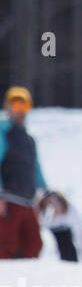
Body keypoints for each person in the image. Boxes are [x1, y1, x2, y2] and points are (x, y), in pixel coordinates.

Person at [0, 86, 46, 259]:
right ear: (8, 107)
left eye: (25, 107)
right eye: (17, 106)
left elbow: (36, 168)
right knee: (6, 248)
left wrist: (44, 192)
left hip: (27, 201)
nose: (21, 111)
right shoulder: (3, 133)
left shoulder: (28, 139)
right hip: (8, 201)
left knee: (33, 246)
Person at [38, 191, 82, 263]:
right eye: (50, 203)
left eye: (57, 201)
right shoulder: (43, 217)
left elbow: (81, 235)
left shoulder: (69, 213)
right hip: (50, 259)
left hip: (70, 256)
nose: (54, 205)